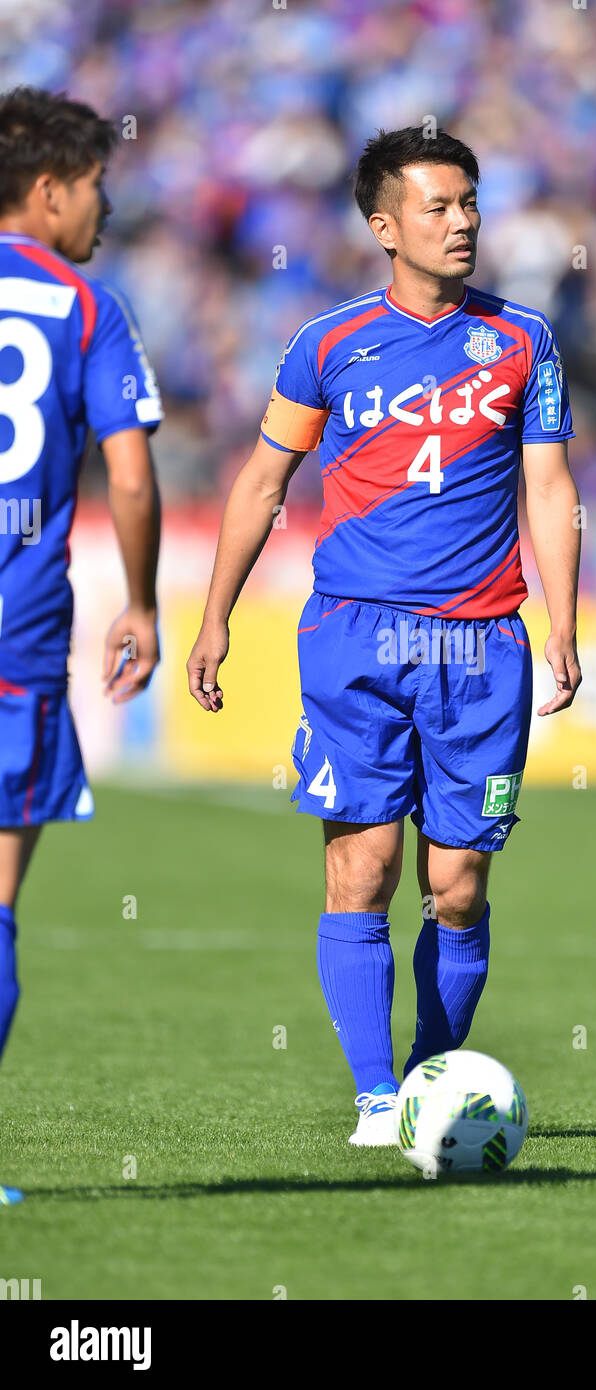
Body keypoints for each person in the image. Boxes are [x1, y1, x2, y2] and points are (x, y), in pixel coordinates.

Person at [187, 127, 581, 1146]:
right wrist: (214, 615)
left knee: (456, 885)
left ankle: (426, 1084)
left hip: (483, 644)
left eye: (468, 204)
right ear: (383, 226)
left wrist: (563, 620)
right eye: (437, 207)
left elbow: (547, 482)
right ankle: (376, 1099)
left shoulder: (525, 339)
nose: (461, 223)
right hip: (354, 637)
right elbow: (263, 483)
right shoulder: (324, 343)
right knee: (359, 868)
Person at [0, 87, 163, 1203]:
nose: (104, 204)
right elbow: (133, 473)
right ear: (51, 190)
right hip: (15, 629)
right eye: (97, 183)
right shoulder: (84, 305)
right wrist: (142, 602)